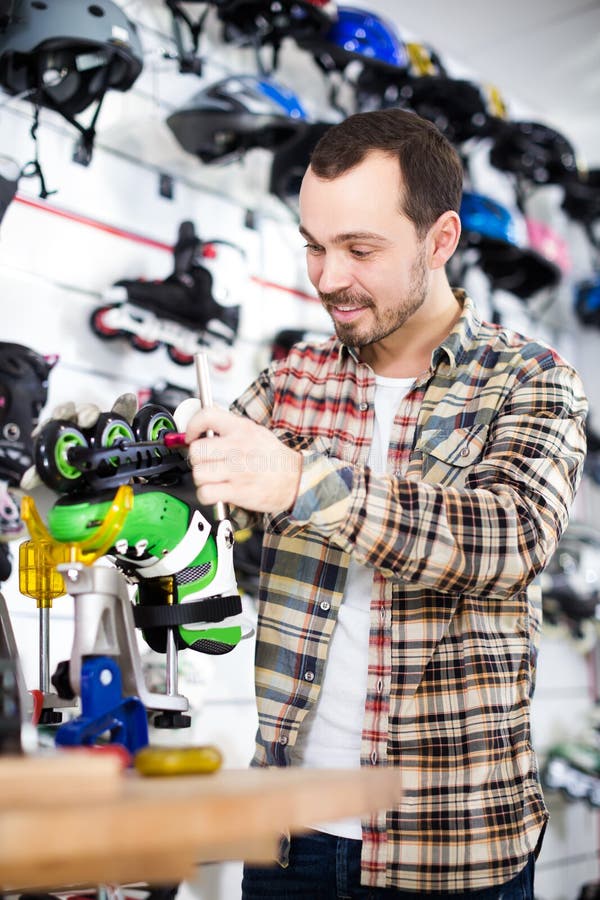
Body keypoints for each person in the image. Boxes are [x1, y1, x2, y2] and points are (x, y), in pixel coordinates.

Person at [184, 108, 588, 899]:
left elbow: (506, 541)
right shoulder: (292, 380)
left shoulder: (531, 381)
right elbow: (213, 517)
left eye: (359, 249)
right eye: (313, 245)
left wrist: (303, 482)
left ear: (439, 241)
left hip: (454, 850)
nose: (328, 277)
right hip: (288, 836)